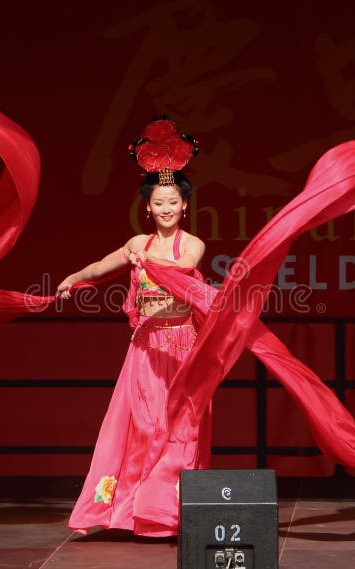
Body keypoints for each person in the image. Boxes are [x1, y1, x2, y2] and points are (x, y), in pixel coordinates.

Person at [56, 118, 211, 537]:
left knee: (178, 428)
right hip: (146, 348)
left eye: (173, 201)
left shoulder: (191, 244)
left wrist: (148, 261)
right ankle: (132, 512)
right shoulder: (137, 244)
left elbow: (181, 271)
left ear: (184, 205)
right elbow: (101, 267)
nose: (166, 208)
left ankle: (169, 513)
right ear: (148, 207)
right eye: (159, 202)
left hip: (181, 348)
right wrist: (75, 278)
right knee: (143, 427)